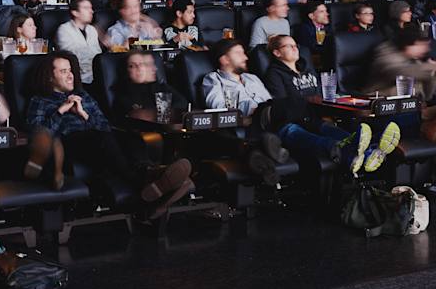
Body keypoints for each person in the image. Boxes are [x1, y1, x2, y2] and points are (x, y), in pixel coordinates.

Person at [23, 52, 193, 215]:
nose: (70, 76)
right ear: (50, 77)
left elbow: (103, 124)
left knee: (130, 136)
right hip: (68, 143)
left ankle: (149, 173)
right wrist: (61, 111)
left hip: (97, 138)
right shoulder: (40, 100)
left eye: (70, 70)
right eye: (63, 71)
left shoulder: (83, 96)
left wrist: (83, 114)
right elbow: (39, 135)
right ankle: (148, 181)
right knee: (101, 138)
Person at [263, 35, 398, 173]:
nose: (295, 48)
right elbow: (283, 106)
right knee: (319, 139)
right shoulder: (274, 74)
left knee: (348, 136)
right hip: (289, 124)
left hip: (313, 119)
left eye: (295, 45)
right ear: (277, 53)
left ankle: (370, 152)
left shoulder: (307, 70)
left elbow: (319, 96)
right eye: (289, 46)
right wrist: (310, 101)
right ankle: (354, 155)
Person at [202, 39, 287, 182]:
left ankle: (258, 149)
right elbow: (218, 107)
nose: (246, 57)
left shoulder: (252, 78)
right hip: (247, 122)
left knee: (290, 106)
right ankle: (269, 149)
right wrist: (247, 113)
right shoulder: (214, 79)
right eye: (239, 53)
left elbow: (270, 103)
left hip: (269, 118)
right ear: (224, 59)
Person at [362, 28, 436, 145]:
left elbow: (427, 87)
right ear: (409, 44)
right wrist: (431, 68)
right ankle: (427, 121)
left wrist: (431, 82)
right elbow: (399, 71)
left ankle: (431, 120)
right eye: (421, 45)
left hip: (408, 105)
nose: (426, 49)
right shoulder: (386, 53)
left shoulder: (414, 59)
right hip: (378, 103)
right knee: (406, 101)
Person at [112, 51, 188, 119]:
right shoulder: (124, 93)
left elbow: (182, 103)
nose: (139, 68)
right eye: (132, 66)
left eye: (147, 64)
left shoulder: (161, 87)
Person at [54, 0, 101, 84]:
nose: (91, 11)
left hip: (96, 72)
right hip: (79, 76)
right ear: (75, 12)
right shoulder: (64, 30)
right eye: (86, 8)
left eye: (91, 8)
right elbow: (71, 57)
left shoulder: (92, 30)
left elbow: (98, 53)